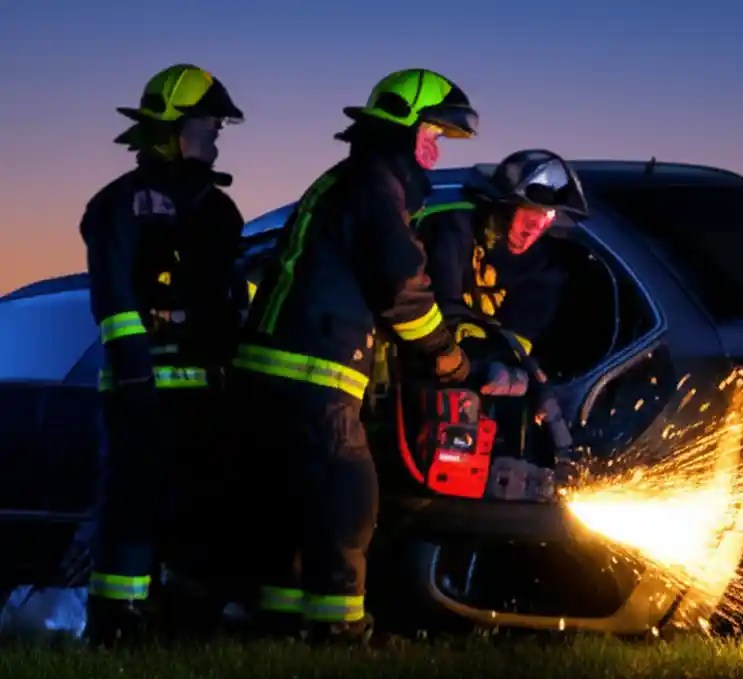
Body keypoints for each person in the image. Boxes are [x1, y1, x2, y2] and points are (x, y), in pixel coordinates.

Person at [232, 68, 478, 644]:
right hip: (315, 371)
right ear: (404, 125)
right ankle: (338, 631)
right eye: (433, 134)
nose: (435, 151)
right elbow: (401, 287)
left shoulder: (353, 179)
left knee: (293, 501)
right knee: (348, 492)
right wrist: (447, 357)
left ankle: (280, 618)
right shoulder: (377, 188)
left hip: (276, 369)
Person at [80, 63, 249, 646]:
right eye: (209, 124)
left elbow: (226, 299)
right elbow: (114, 298)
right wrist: (132, 374)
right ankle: (116, 620)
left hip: (206, 391)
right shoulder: (118, 205)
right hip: (142, 388)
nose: (217, 135)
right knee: (134, 500)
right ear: (174, 128)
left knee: (200, 504)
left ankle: (187, 617)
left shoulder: (218, 211)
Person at [414, 148, 589, 392]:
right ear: (505, 210)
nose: (533, 230)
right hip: (427, 362)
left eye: (545, 219)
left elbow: (523, 333)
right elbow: (444, 303)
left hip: (480, 376)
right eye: (529, 215)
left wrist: (507, 362)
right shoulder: (455, 229)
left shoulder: (544, 271)